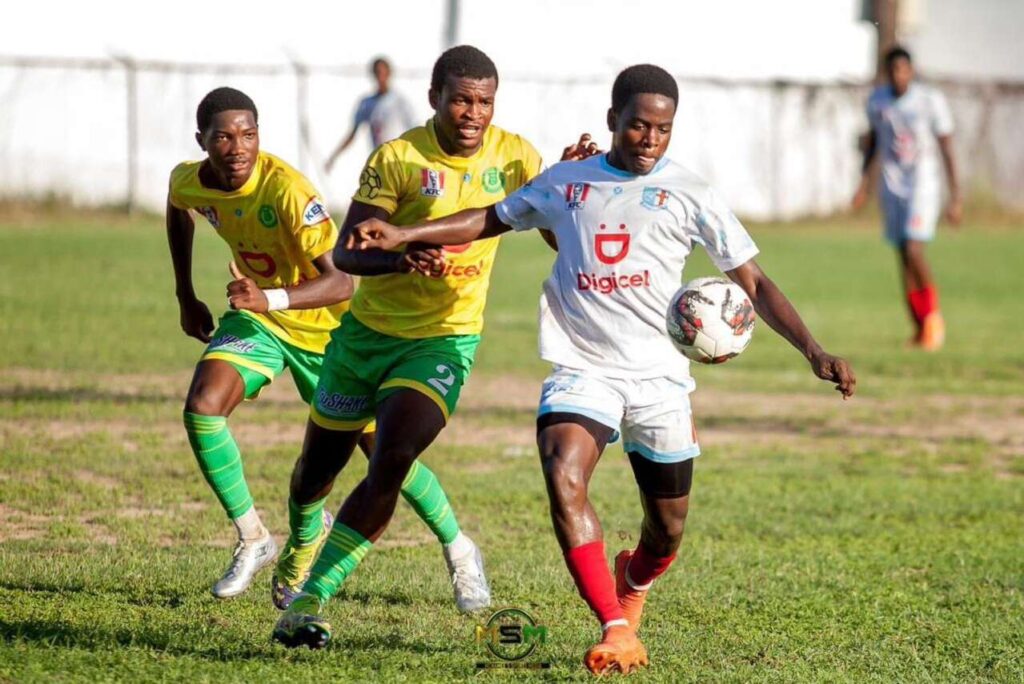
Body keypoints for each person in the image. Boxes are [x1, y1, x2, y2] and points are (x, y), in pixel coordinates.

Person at [348, 64, 857, 675]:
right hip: (581, 365)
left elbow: (753, 279)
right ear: (612, 119)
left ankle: (634, 579)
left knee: (666, 532)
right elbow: (489, 218)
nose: (649, 138)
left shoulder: (691, 192)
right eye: (638, 124)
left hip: (659, 378)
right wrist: (405, 231)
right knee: (563, 469)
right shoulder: (567, 182)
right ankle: (615, 628)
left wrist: (814, 350)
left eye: (662, 129)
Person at [270, 45, 594, 649]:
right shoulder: (398, 158)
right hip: (365, 340)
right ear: (435, 100)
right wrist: (402, 258)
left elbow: (554, 235)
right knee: (315, 474)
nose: (474, 113)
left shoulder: (516, 155)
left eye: (485, 102)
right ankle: (299, 546)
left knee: (391, 456)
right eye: (462, 100)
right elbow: (346, 254)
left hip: (445, 340)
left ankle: (312, 597)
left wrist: (567, 184)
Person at [167, 87, 483, 608]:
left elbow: (342, 282)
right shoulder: (188, 178)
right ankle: (253, 537)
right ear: (201, 141)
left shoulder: (288, 191)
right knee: (202, 407)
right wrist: (185, 293)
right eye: (223, 136)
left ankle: (459, 548)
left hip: (329, 337)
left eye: (249, 134)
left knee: (383, 457)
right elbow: (179, 206)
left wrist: (267, 297)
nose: (238, 146)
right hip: (262, 321)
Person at [852, 46, 961, 350]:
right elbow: (873, 144)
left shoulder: (929, 101)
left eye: (904, 70)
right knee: (902, 255)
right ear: (887, 74)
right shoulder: (877, 101)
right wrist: (863, 184)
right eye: (893, 71)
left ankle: (933, 319)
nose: (899, 76)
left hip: (923, 186)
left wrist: (956, 197)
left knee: (914, 249)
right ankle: (919, 328)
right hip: (892, 186)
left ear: (911, 72)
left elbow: (947, 147)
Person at [325, 57, 415, 172]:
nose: (380, 77)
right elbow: (353, 133)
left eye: (382, 73)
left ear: (389, 74)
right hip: (378, 163)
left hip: (399, 162)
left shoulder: (400, 102)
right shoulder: (367, 103)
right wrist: (334, 156)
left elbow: (415, 130)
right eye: (377, 73)